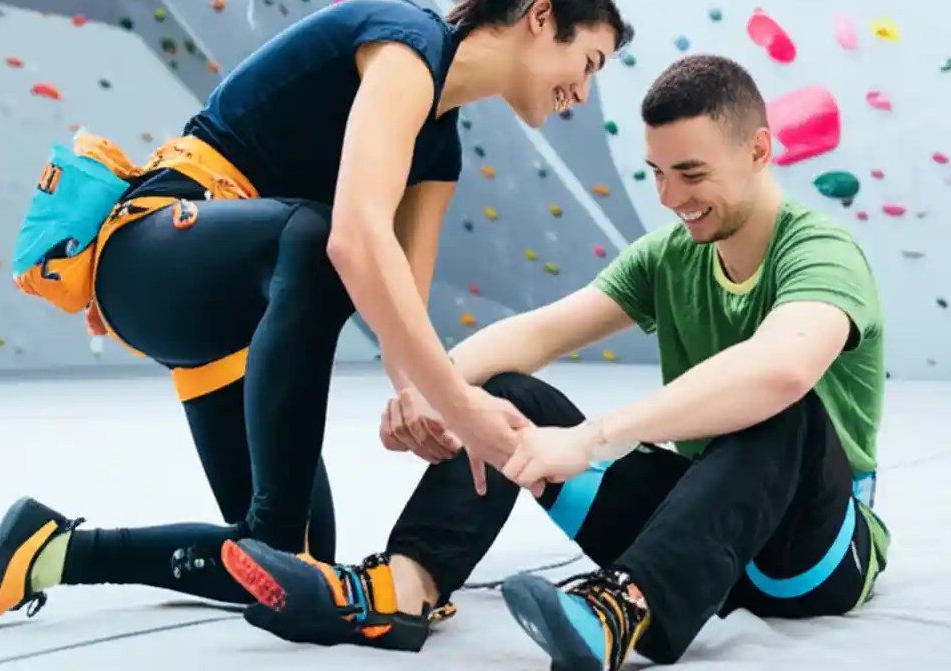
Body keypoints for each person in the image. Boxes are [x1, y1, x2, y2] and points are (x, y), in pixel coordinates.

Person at [0, 0, 632, 634]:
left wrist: (418, 400)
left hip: (226, 319)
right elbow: (354, 241)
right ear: (541, 18)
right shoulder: (406, 41)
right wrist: (464, 410)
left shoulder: (440, 152)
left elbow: (401, 307)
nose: (581, 92)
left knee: (294, 566)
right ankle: (275, 539)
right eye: (589, 63)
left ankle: (52, 551)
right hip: (151, 253)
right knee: (320, 239)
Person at [218, 54, 893, 670]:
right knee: (504, 392)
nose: (669, 197)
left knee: (784, 412)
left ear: (759, 151)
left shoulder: (822, 253)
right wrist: (434, 390)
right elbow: (539, 333)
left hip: (807, 560)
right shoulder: (669, 255)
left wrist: (594, 439)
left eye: (691, 173)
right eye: (657, 173)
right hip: (698, 534)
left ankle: (621, 609)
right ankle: (401, 590)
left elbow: (780, 370)